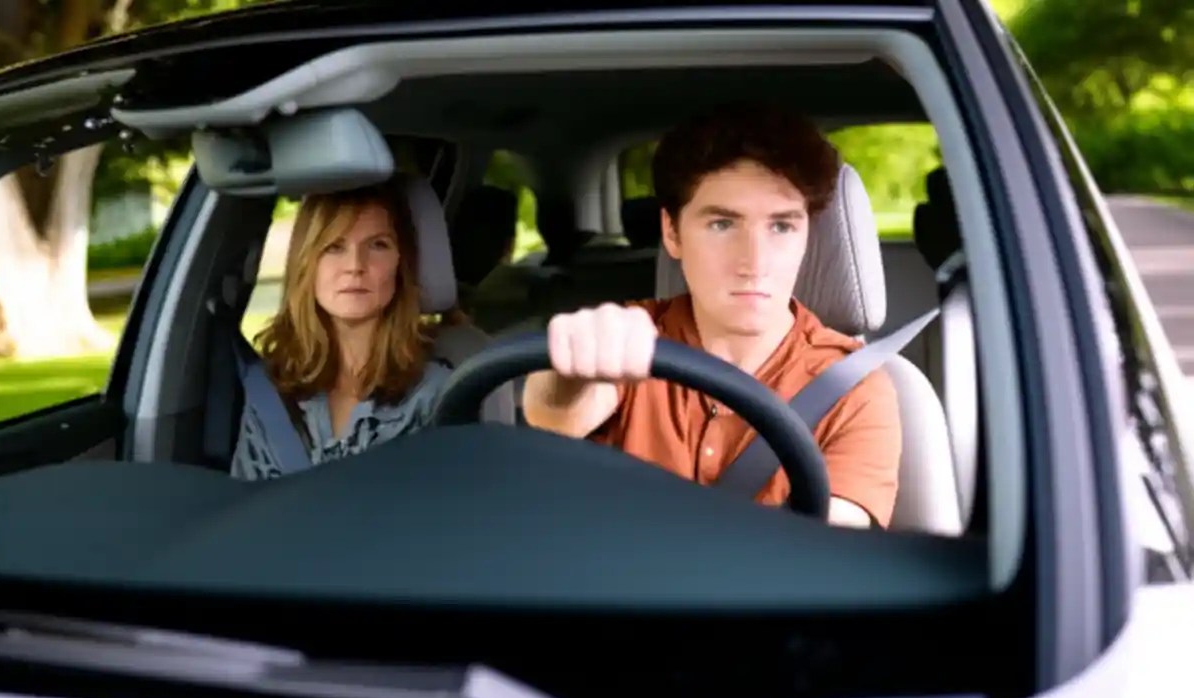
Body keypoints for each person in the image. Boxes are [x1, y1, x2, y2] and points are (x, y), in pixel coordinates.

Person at [521, 104, 901, 528]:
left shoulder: (853, 385)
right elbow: (554, 416)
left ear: (807, 235)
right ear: (672, 232)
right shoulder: (631, 338)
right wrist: (570, 370)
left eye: (781, 227)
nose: (754, 262)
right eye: (722, 224)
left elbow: (831, 552)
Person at [231, 178, 451, 480]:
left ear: (401, 265)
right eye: (334, 247)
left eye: (377, 245)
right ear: (306, 263)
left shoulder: (437, 393)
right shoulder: (272, 393)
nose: (355, 266)